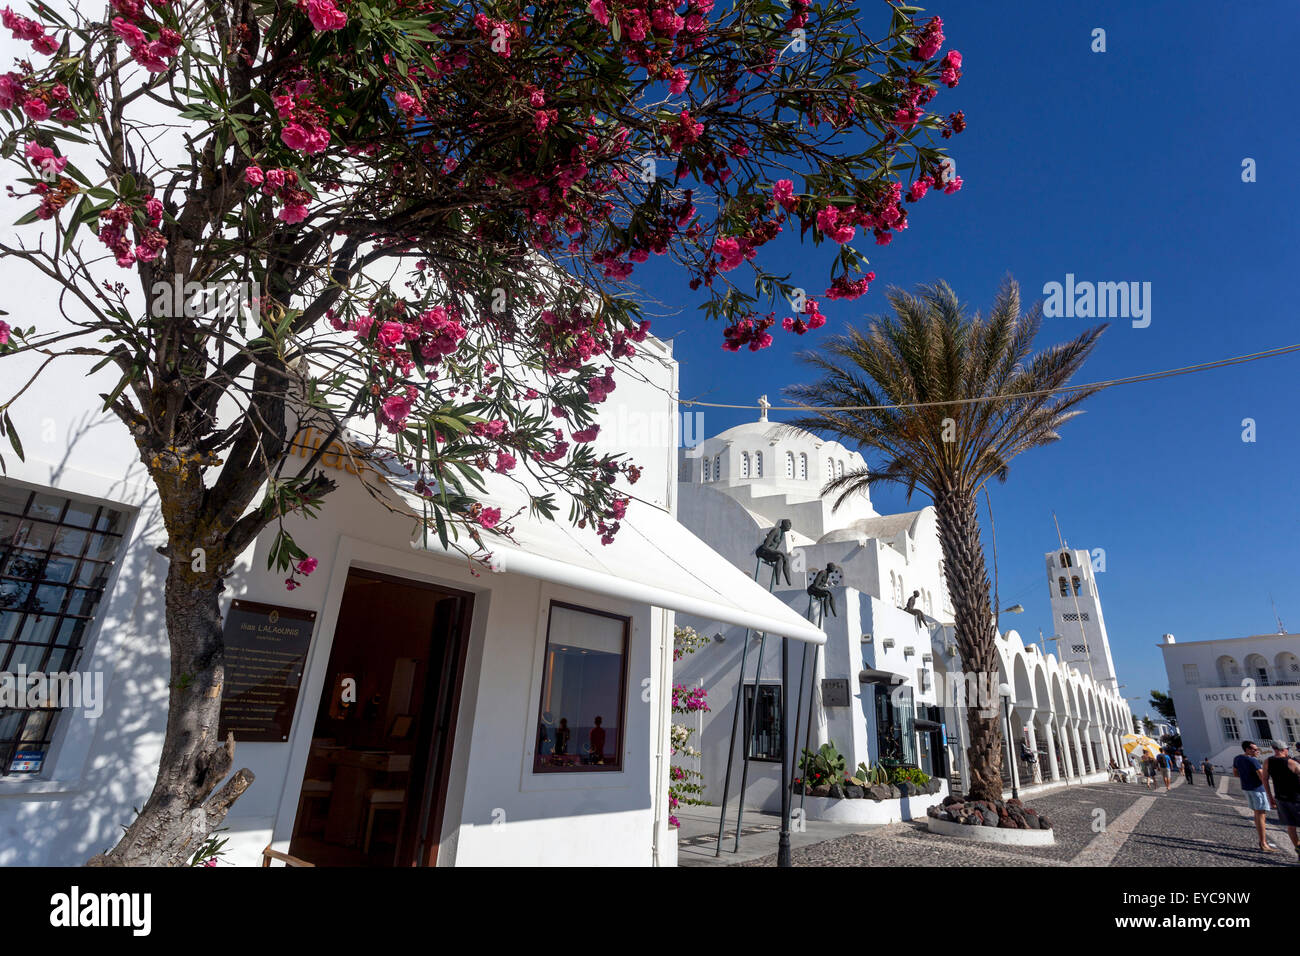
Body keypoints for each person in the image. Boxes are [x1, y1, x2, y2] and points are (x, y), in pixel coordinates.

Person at [1232, 740, 1276, 852]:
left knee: (1257, 814)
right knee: (1261, 815)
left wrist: (1247, 776)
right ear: (1247, 750)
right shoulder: (1253, 761)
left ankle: (1262, 841)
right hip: (1257, 789)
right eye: (1254, 749)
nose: (1257, 751)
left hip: (1247, 788)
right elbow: (1262, 777)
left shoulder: (1237, 758)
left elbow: (1235, 774)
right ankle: (1263, 843)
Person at [1260, 740, 1300, 860]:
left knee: (1291, 825)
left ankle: (1298, 847)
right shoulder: (1292, 763)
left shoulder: (1268, 761)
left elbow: (1265, 779)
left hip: (1280, 798)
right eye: (1287, 748)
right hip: (1296, 799)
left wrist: (1270, 797)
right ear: (1283, 749)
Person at [755, 519, 793, 586]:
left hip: (769, 553)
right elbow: (765, 546)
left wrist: (778, 553)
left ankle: (788, 580)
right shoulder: (776, 530)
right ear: (784, 524)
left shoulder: (782, 535)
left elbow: (775, 548)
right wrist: (779, 552)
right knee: (780, 556)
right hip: (762, 552)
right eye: (789, 523)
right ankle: (777, 579)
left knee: (783, 558)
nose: (790, 525)